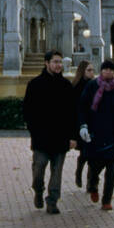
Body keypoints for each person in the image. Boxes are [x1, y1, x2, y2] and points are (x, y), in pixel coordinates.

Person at [22, 50, 77, 214]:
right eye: (55, 62)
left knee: (57, 172)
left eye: (60, 62)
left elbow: (73, 113)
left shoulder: (66, 86)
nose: (58, 65)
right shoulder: (35, 84)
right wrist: (33, 130)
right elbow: (27, 110)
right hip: (41, 137)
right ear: (46, 63)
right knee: (38, 169)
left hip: (61, 137)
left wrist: (73, 136)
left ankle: (52, 201)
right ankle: (38, 191)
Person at [78, 60, 114, 211]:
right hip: (95, 134)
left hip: (113, 136)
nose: (108, 72)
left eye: (111, 70)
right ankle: (93, 185)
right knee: (94, 167)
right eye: (105, 69)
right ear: (101, 71)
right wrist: (83, 125)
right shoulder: (92, 87)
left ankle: (106, 200)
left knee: (112, 169)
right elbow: (82, 107)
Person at [70, 60, 95, 187]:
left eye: (92, 70)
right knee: (85, 153)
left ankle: (91, 182)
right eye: (89, 70)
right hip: (80, 123)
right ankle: (79, 172)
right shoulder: (76, 86)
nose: (91, 73)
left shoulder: (96, 85)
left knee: (93, 155)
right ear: (82, 71)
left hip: (93, 124)